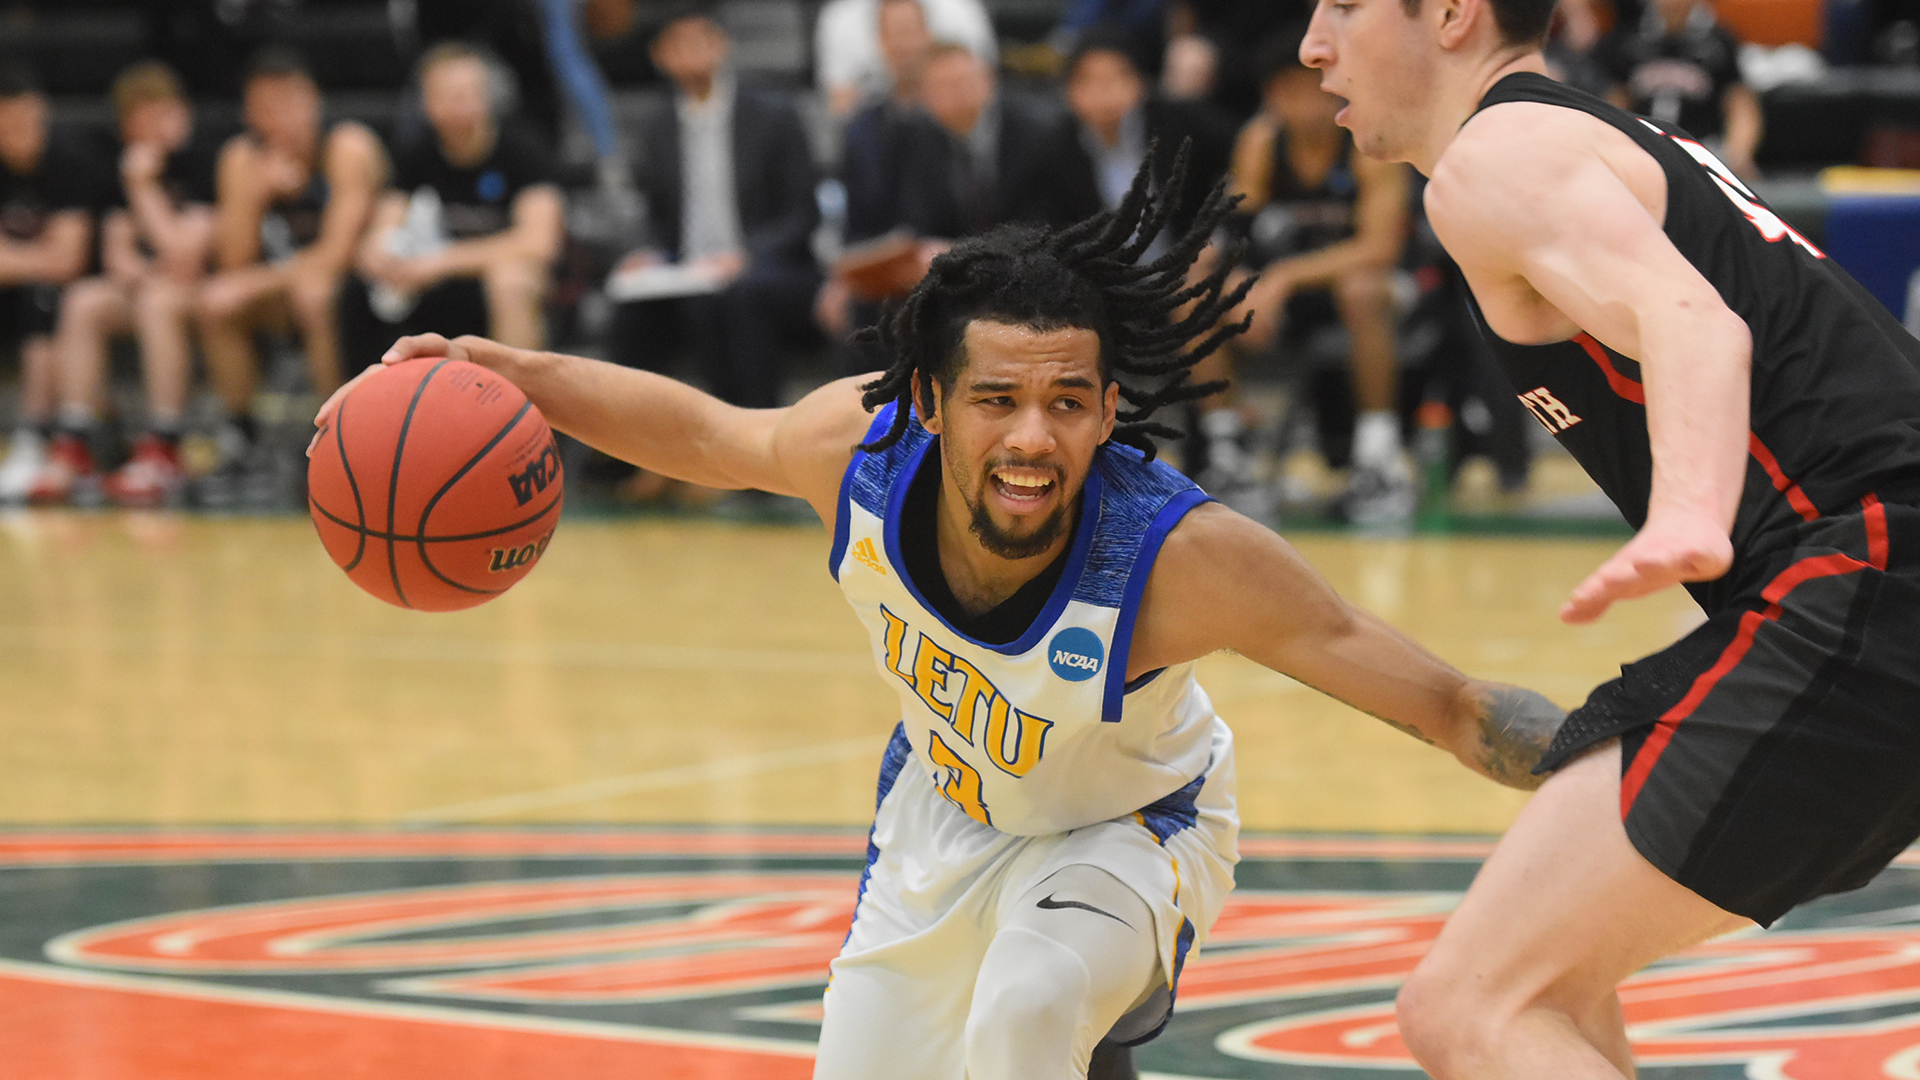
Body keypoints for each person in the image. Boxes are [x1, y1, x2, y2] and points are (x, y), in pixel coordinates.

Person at [319, 153, 1567, 1080]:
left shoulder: (1180, 559)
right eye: (1000, 401)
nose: (1036, 437)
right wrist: (506, 370)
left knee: (1030, 1004)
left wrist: (1631, 750)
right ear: (928, 398)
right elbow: (704, 432)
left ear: (1107, 406)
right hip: (943, 822)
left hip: (1135, 829)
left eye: (1071, 402)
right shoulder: (854, 454)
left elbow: (1447, 704)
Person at [1301, 0, 1920, 1075]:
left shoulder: (1496, 157)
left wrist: (1686, 510)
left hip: (1865, 574)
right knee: (1549, 988)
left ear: (1451, 14)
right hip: (1865, 577)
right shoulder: (1580, 133)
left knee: (1468, 1008)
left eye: (1343, 7)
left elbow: (1693, 324)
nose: (1313, 44)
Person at [1193, 28, 1415, 522]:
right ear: (1271, 95)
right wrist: (1234, 275)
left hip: (1379, 290)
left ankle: (1378, 456)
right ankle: (1228, 451)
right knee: (1196, 287)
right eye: (1286, 90)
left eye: (1312, 87)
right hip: (1282, 292)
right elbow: (1234, 232)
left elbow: (1380, 249)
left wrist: (1286, 277)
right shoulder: (1259, 143)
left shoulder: (1369, 139)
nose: (1302, 102)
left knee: (1362, 290)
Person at [196, 48, 383, 507]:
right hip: (287, 290)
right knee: (216, 301)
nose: (275, 119)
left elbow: (336, 256)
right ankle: (241, 440)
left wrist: (258, 282)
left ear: (312, 102)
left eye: (286, 104)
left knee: (313, 293)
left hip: (362, 296)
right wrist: (256, 195)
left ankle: (339, 440)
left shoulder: (346, 147)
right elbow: (235, 260)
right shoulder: (242, 159)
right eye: (263, 108)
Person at [611, 3, 820, 413]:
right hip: (687, 268)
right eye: (677, 44)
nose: (690, 53)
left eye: (699, 40)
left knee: (734, 297)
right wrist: (648, 253)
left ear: (721, 45)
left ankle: (754, 439)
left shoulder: (773, 114)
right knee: (630, 307)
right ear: (659, 56)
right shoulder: (658, 126)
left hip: (767, 265)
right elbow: (657, 215)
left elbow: (802, 215)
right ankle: (630, 459)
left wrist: (746, 255)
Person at [38, 61, 219, 507]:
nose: (152, 126)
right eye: (140, 117)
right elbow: (119, 257)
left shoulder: (204, 162)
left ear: (182, 113)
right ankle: (75, 439)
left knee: (158, 301)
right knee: (84, 300)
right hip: (150, 287)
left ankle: (164, 446)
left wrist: (142, 187)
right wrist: (141, 270)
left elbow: (186, 256)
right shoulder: (119, 170)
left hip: (207, 293)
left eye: (162, 113)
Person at [359, 42, 564, 351]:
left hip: (498, 280)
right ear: (426, 102)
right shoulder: (414, 153)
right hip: (435, 283)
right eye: (447, 94)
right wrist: (380, 256)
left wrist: (442, 262)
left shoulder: (523, 148)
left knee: (509, 280)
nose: (459, 104)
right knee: (352, 291)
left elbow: (539, 243)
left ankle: (520, 395)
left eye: (468, 92)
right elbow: (383, 228)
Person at [0, 64, 99, 504]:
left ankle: (33, 435)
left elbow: (67, 260)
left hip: (56, 293)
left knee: (42, 300)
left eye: (27, 120)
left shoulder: (67, 160)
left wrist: (10, 259)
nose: (20, 132)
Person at [1596, 0, 1763, 181]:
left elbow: (1740, 105)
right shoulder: (1627, 40)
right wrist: (1611, 147)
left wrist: (1738, 154)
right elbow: (1614, 102)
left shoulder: (1719, 41)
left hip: (1702, 151)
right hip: (1642, 149)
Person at [815, 0, 997, 119]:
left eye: (911, 32)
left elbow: (985, 90)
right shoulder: (840, 19)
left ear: (928, 33)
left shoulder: (961, 10)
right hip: (882, 130)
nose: (904, 45)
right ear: (879, 40)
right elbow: (840, 106)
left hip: (949, 125)